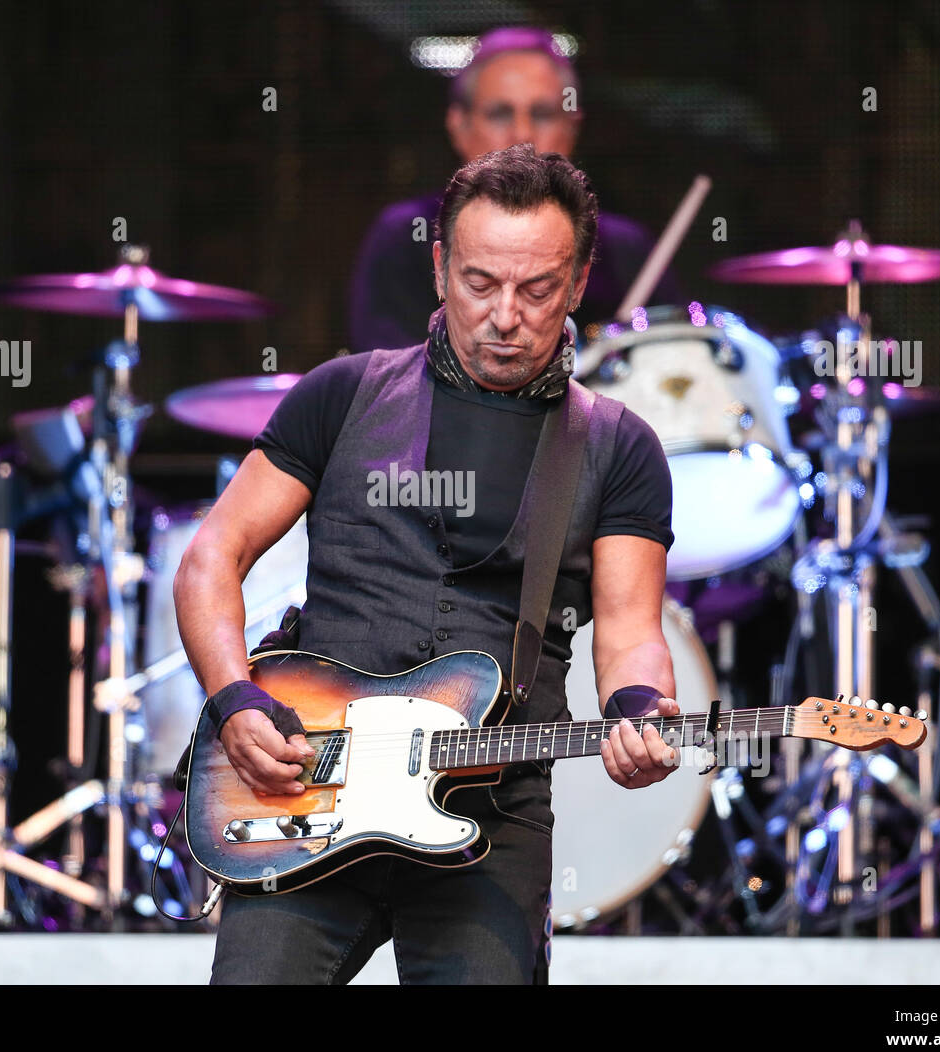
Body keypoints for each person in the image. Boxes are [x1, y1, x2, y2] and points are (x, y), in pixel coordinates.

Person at [174, 145, 679, 985]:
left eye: (538, 288)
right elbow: (210, 559)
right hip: (306, 784)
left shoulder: (618, 447)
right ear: (441, 265)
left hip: (490, 810)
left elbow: (631, 632)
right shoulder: (342, 394)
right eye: (481, 283)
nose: (506, 315)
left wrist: (637, 709)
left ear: (581, 282)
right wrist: (234, 703)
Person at [348, 25, 683, 354]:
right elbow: (391, 387)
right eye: (499, 114)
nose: (522, 134)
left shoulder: (625, 247)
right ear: (458, 126)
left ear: (573, 125)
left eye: (543, 114)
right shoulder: (404, 237)